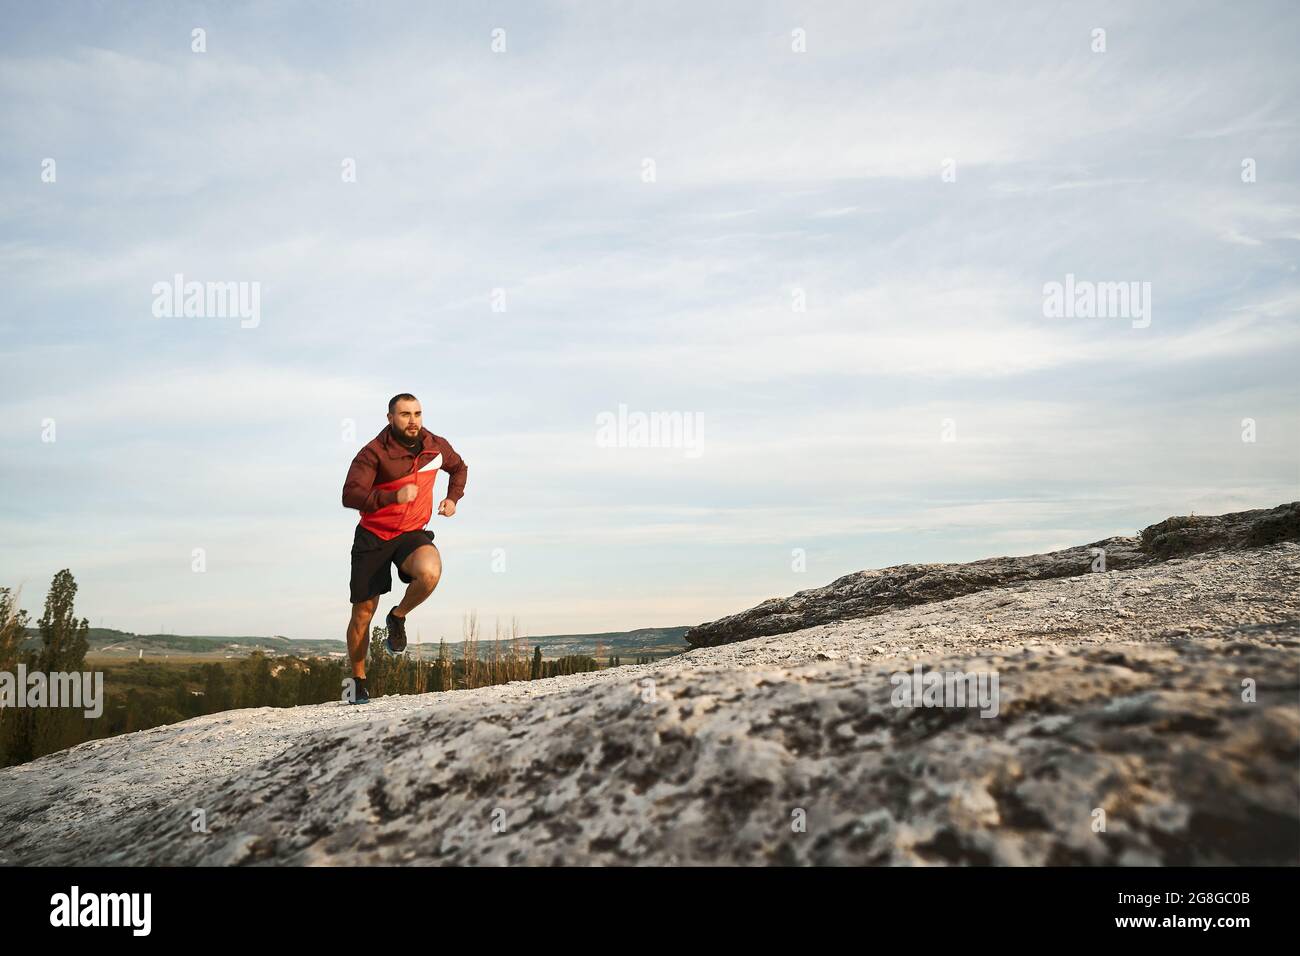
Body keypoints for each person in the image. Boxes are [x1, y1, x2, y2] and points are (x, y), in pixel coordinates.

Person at [340, 393, 468, 703]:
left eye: (417, 413)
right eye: (405, 414)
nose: (413, 420)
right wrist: (390, 498)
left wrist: (453, 498)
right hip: (374, 535)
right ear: (390, 418)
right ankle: (357, 680)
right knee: (363, 612)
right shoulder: (373, 453)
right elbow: (351, 495)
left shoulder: (435, 446)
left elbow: (459, 467)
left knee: (430, 571)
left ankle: (398, 617)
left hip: (411, 533)